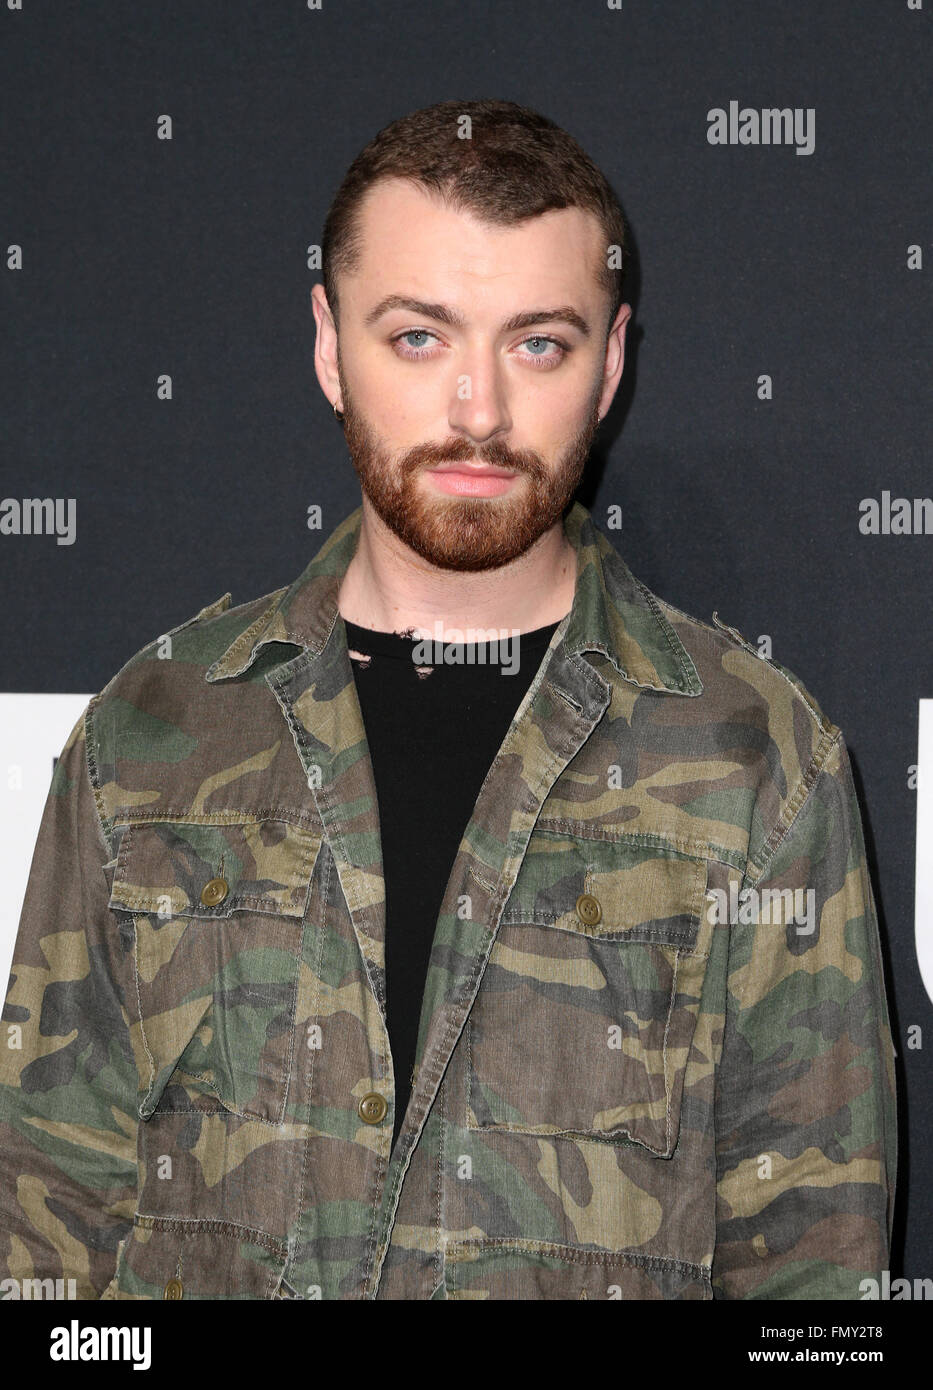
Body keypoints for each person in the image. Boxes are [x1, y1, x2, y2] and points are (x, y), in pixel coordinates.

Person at [0, 98, 896, 1301]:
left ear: (612, 362)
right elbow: (47, 1255)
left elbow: (815, 1299)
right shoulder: (146, 740)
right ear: (328, 344)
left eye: (539, 344)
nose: (479, 409)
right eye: (419, 337)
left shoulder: (763, 765)